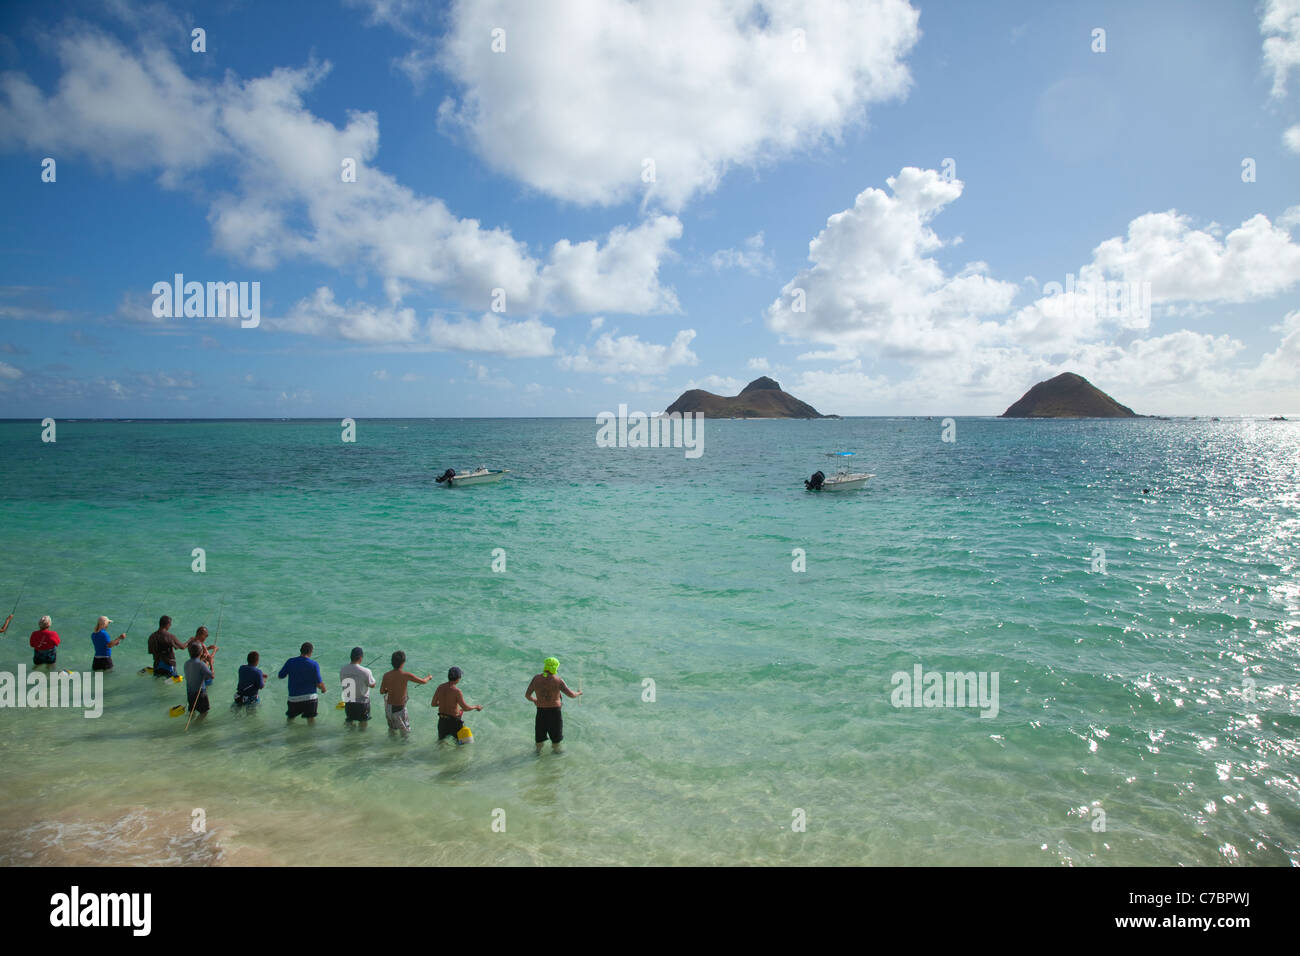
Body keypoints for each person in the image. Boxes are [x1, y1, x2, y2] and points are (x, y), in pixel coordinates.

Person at [525, 657, 581, 753]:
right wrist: (579, 693)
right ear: (555, 667)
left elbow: (527, 695)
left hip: (541, 711)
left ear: (545, 666)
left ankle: (537, 755)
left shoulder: (536, 678)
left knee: (539, 739)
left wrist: (535, 700)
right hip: (555, 712)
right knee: (556, 741)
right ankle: (557, 759)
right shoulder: (558, 680)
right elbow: (571, 695)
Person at [378, 651, 431, 737]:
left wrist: (390, 689)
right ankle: (402, 750)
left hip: (389, 708)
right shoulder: (405, 675)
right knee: (405, 735)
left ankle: (391, 747)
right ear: (403, 663)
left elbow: (382, 691)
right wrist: (429, 677)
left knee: (392, 731)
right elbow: (423, 681)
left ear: (392, 662)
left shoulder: (386, 675)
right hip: (399, 710)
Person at [432, 666, 483, 743]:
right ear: (458, 678)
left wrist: (444, 704)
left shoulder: (440, 687)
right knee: (461, 745)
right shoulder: (457, 691)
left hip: (442, 721)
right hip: (454, 723)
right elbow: (465, 708)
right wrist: (476, 707)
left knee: (441, 744)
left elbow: (433, 704)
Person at [278, 642, 326, 723]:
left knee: (290, 719)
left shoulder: (290, 661)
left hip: (294, 698)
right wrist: (323, 689)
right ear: (311, 652)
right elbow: (319, 683)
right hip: (310, 698)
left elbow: (280, 675)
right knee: (310, 720)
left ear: (300, 650)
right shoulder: (314, 664)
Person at [339, 647, 376, 728]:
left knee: (350, 724)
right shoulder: (366, 671)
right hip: (362, 704)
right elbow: (372, 685)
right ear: (360, 658)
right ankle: (361, 740)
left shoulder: (343, 670)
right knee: (363, 726)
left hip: (349, 703)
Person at [182, 643, 213, 720]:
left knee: (192, 711)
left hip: (190, 693)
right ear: (200, 652)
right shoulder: (201, 664)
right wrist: (211, 663)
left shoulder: (186, 663)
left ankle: (191, 724)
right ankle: (197, 727)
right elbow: (212, 676)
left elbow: (195, 670)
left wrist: (202, 661)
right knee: (204, 712)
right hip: (200, 693)